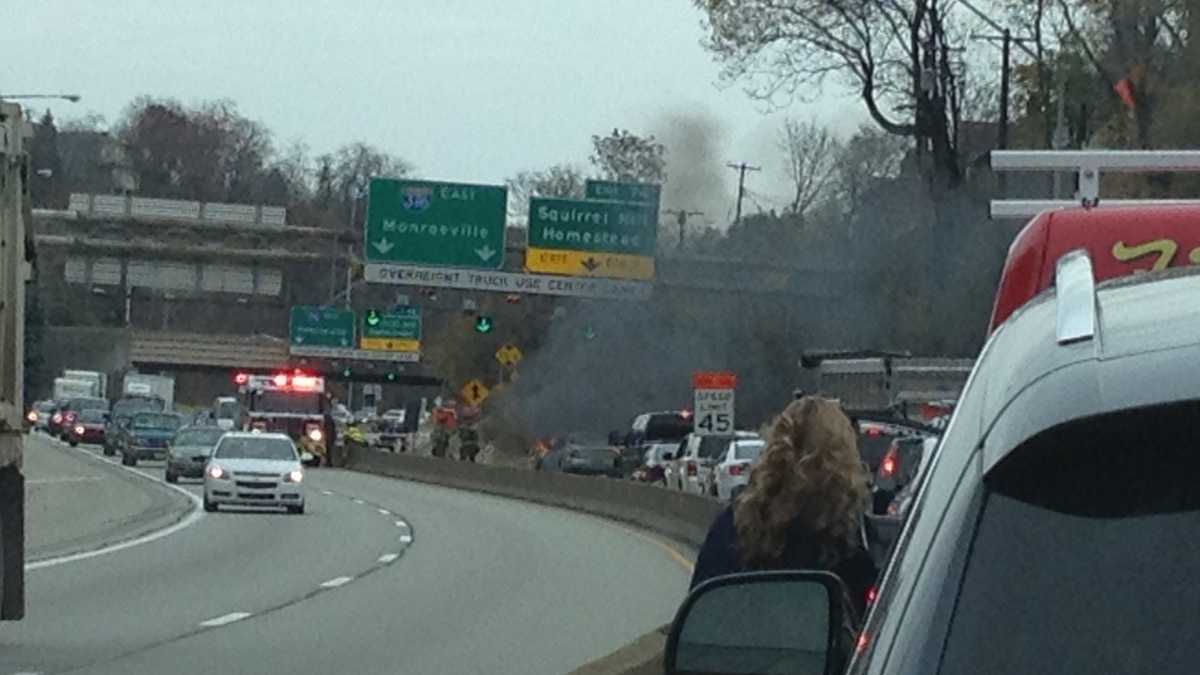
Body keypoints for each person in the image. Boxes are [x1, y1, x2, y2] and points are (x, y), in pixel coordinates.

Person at [690, 396, 878, 620]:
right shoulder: (850, 540)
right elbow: (870, 622)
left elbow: (701, 609)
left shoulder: (733, 526)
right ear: (846, 459)